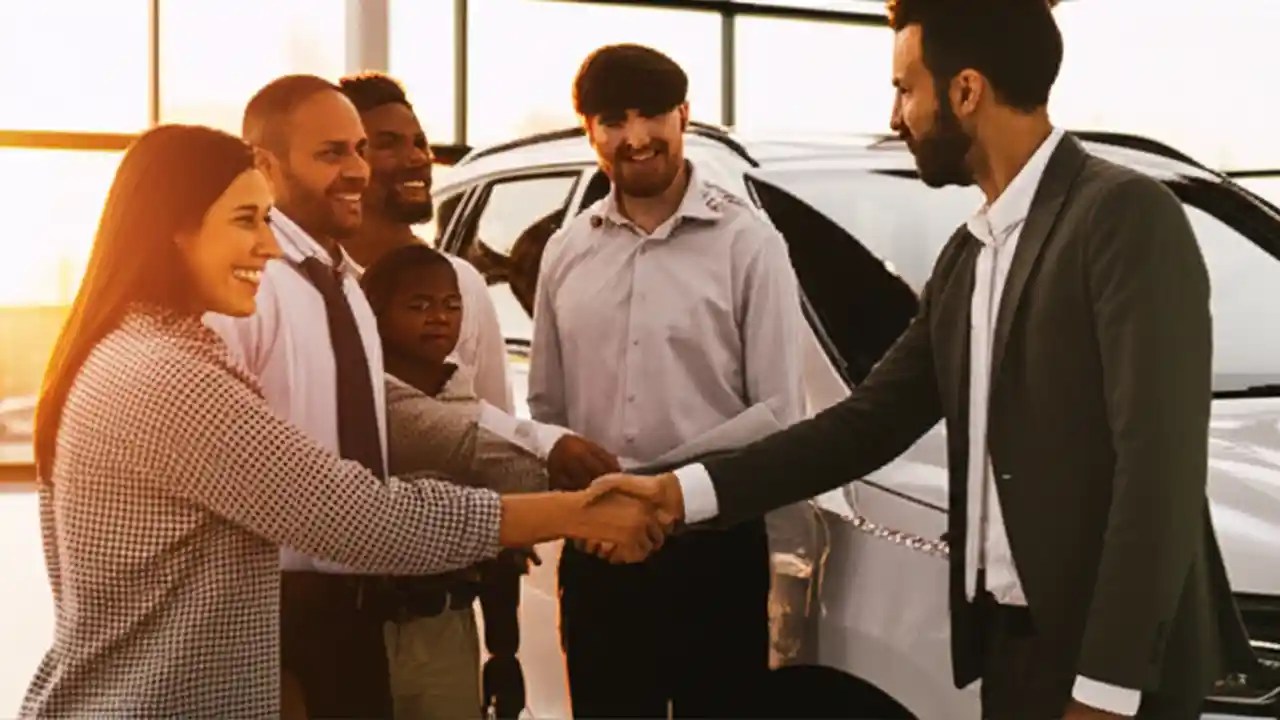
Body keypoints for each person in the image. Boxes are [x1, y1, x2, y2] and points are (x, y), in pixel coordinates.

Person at [593, 0, 1257, 717]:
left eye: (905, 89)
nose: (895, 116)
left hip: (1112, 675)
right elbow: (864, 426)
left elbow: (1158, 471)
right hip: (1014, 653)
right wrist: (678, 493)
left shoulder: (1123, 215)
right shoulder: (971, 255)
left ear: (966, 91)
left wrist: (1104, 690)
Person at [19, 124, 665, 718]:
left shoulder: (150, 349)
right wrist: (576, 513)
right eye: (246, 220)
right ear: (172, 229)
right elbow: (360, 518)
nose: (269, 246)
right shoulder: (165, 378)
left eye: (268, 219)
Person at [203, 74, 618, 719]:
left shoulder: (339, 286)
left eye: (359, 151)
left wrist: (549, 452)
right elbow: (234, 476)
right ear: (265, 164)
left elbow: (407, 414)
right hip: (277, 617)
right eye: (332, 154)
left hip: (354, 616)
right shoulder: (248, 288)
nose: (356, 171)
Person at [528, 44, 808, 719]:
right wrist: (592, 505)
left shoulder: (750, 243)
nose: (635, 137)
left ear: (684, 116)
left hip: (714, 549)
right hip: (598, 551)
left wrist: (660, 489)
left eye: (652, 114)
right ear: (589, 131)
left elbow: (779, 411)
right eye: (612, 119)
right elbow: (546, 406)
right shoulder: (567, 251)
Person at [360, 243, 550, 720]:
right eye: (418, 306)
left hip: (447, 622)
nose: (438, 318)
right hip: (366, 630)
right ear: (375, 314)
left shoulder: (469, 405)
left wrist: (503, 653)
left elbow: (505, 543)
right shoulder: (359, 405)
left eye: (451, 306)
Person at [337, 72, 515, 415]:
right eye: (388, 144)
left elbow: (496, 422)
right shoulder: (316, 280)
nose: (417, 158)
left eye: (419, 143)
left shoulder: (462, 282)